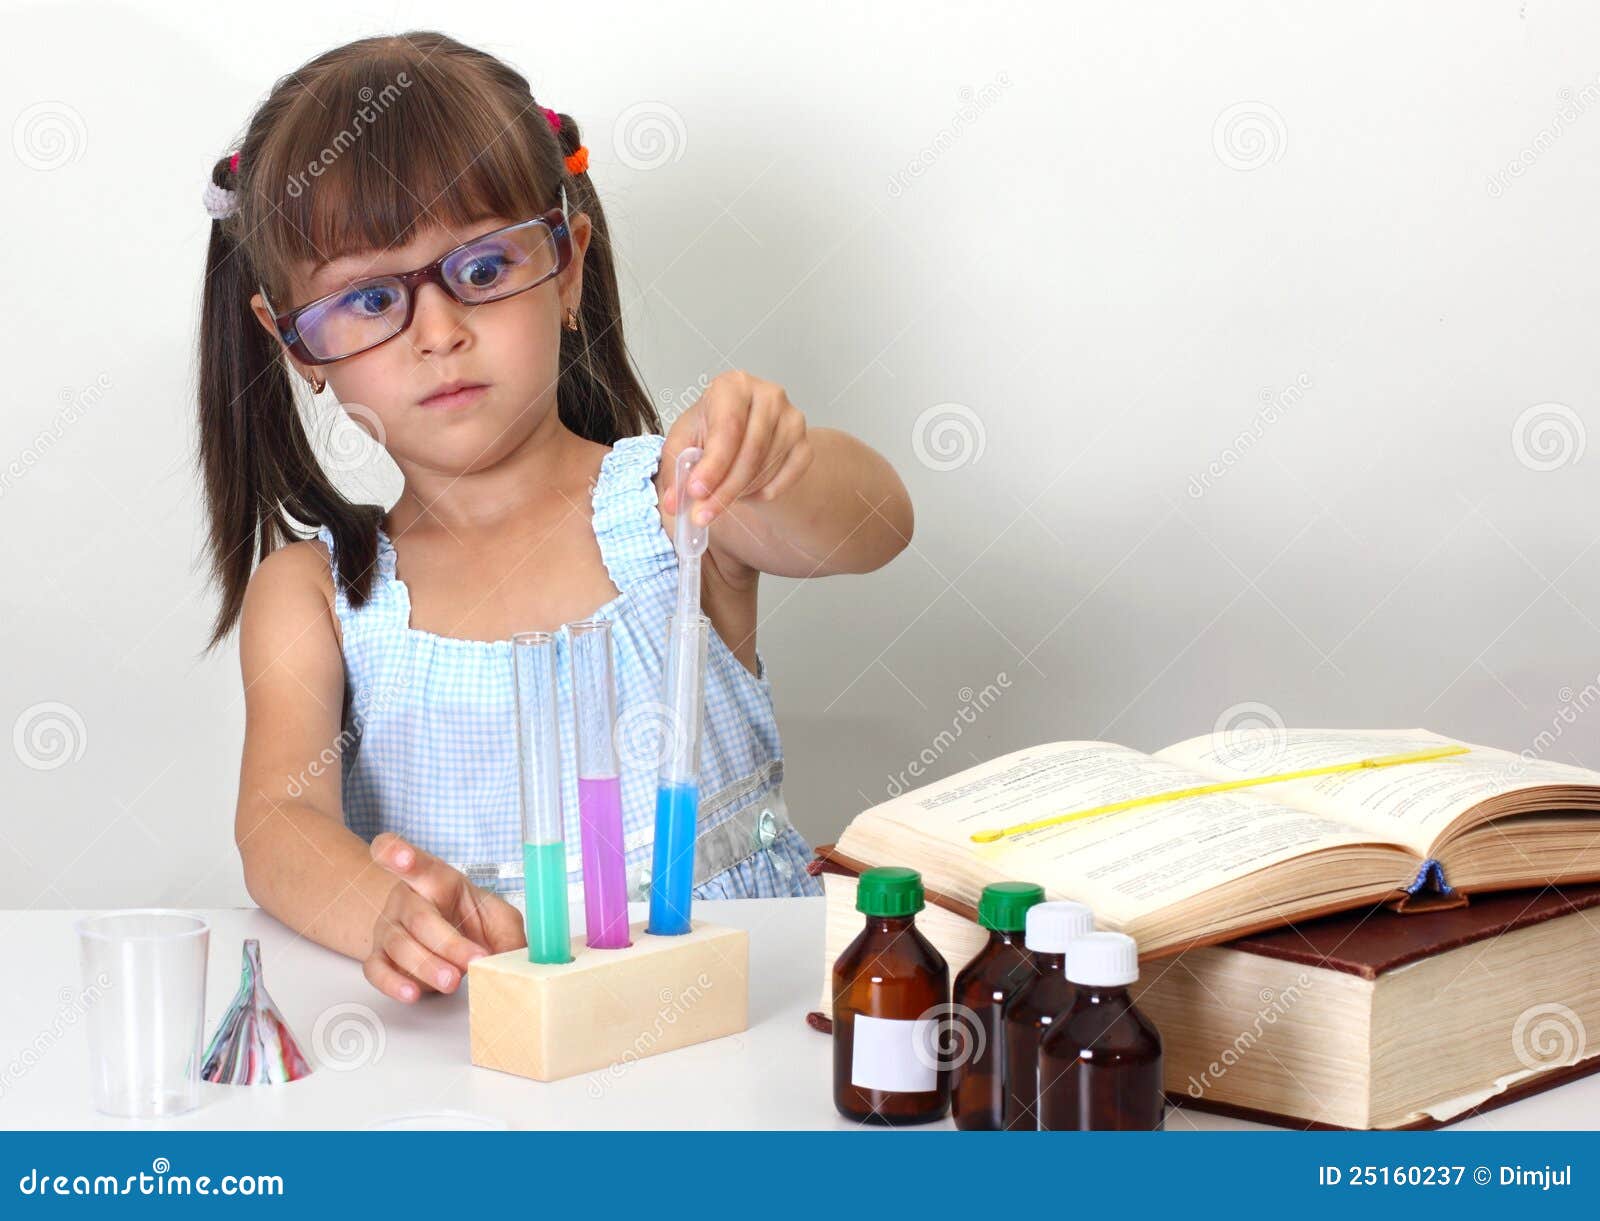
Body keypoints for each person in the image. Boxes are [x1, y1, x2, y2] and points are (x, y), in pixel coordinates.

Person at [194, 31, 913, 1002]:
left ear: (569, 267)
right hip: (480, 1050)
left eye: (483, 272)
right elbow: (278, 822)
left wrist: (775, 457)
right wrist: (383, 911)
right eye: (370, 299)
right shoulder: (318, 595)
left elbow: (875, 525)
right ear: (298, 347)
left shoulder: (679, 499)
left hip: (738, 1031)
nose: (439, 332)